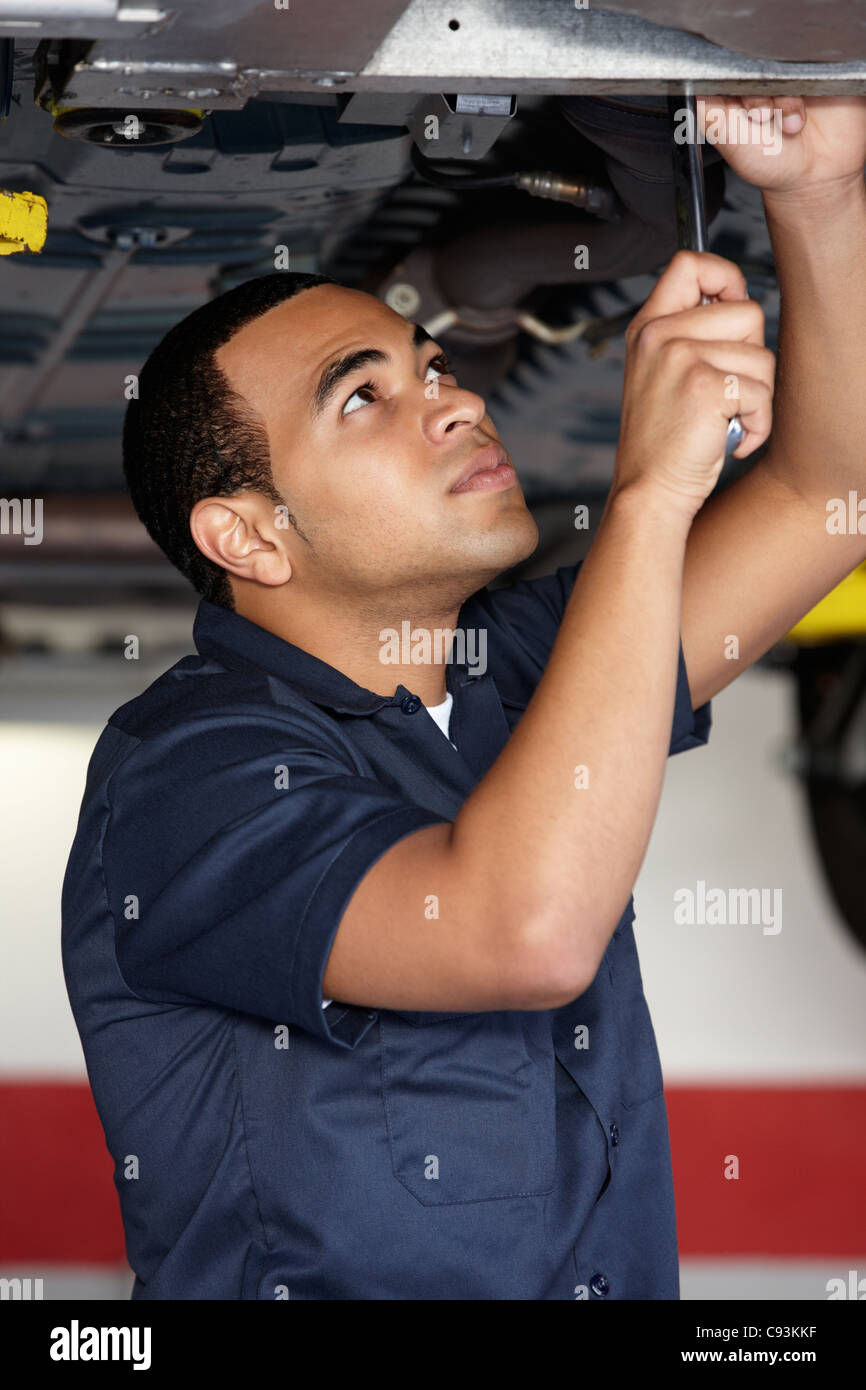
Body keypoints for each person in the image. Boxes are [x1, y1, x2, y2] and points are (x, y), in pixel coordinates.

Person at [61, 95, 866, 1299]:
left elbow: (824, 497)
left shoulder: (525, 663)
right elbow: (521, 930)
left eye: (429, 364)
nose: (453, 397)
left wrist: (813, 195)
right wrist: (645, 492)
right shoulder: (185, 777)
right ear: (247, 535)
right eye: (362, 397)